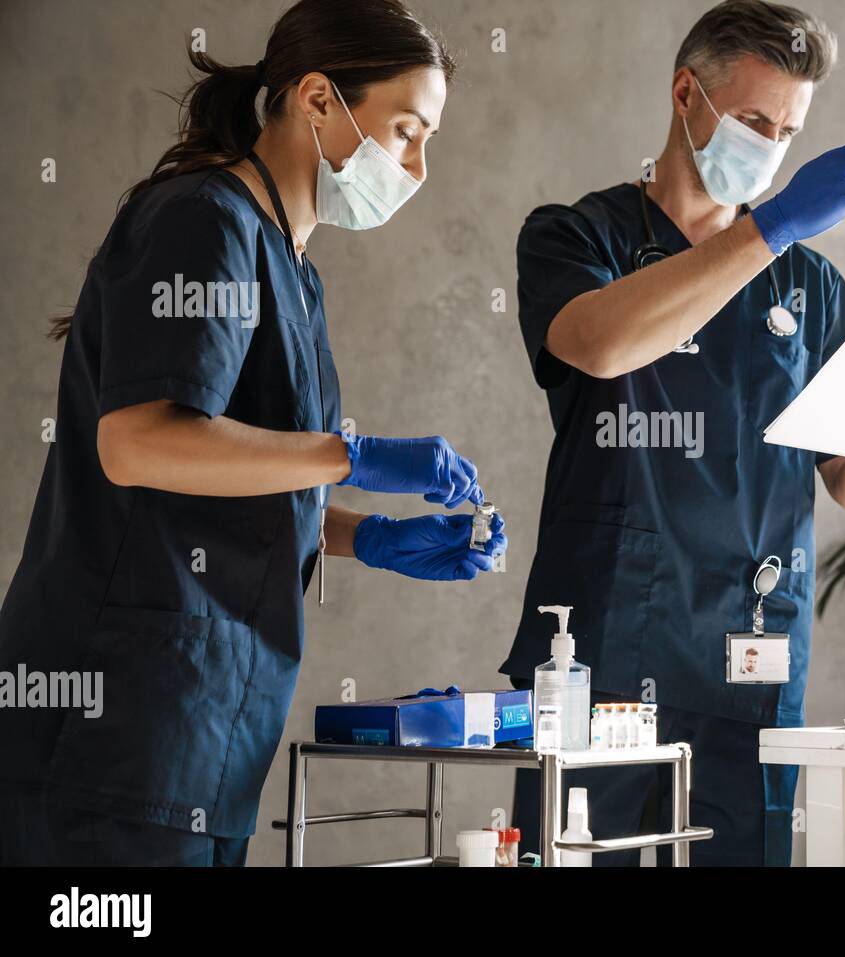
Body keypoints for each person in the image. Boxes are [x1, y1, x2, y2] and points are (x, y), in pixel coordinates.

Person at [0, 0, 505, 866]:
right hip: (117, 724)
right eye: (406, 129)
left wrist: (365, 537)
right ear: (317, 98)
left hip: (205, 738)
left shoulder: (291, 267)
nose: (419, 167)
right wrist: (355, 455)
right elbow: (140, 444)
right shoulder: (204, 220)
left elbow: (234, 478)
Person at [504, 0, 845, 865]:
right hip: (604, 652)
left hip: (750, 656)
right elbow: (602, 344)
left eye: (789, 130)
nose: (771, 146)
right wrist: (770, 228)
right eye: (755, 120)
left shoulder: (811, 288)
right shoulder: (579, 237)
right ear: (686, 93)